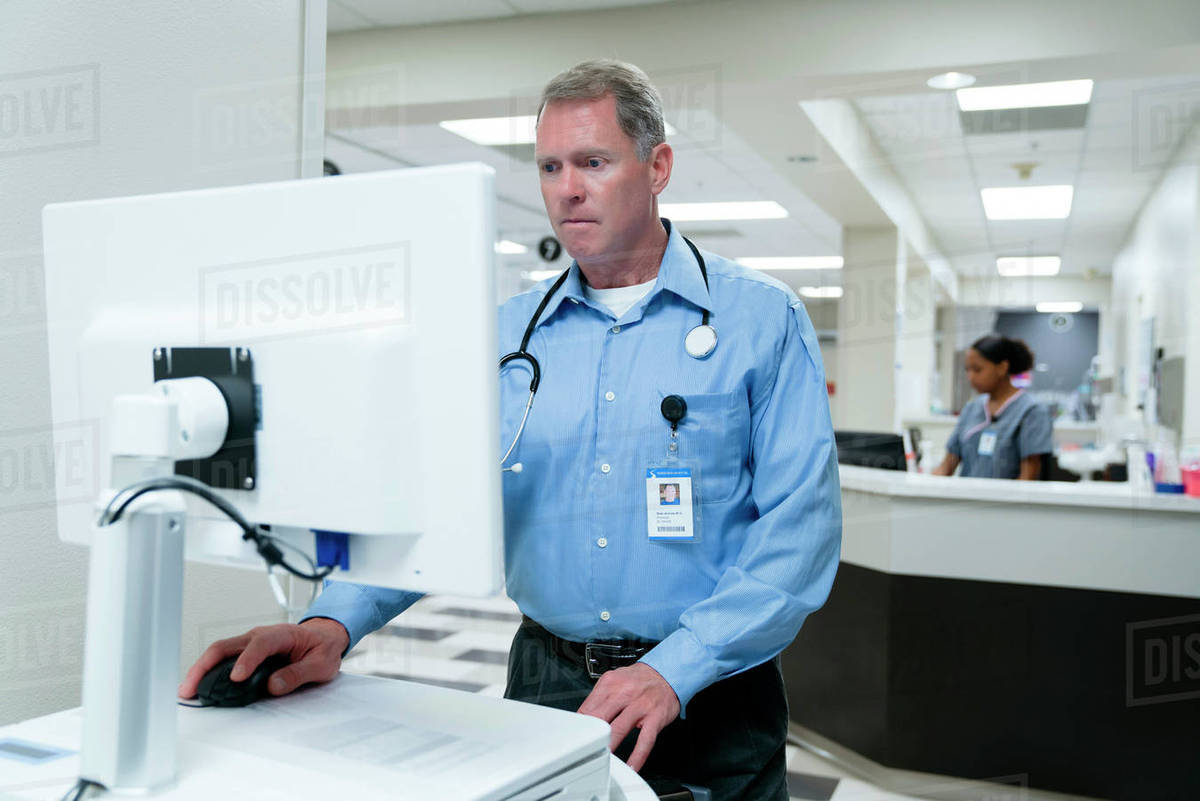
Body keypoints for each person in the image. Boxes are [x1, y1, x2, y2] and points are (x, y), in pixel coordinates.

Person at [179, 59, 841, 800]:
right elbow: (438, 506)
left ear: (658, 167)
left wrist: (675, 668)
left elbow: (798, 536)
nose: (568, 188)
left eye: (593, 161)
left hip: (715, 690)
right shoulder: (504, 337)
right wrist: (333, 621)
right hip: (549, 683)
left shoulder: (761, 319)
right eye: (551, 166)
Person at [932, 334, 1053, 480]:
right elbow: (946, 467)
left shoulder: (1031, 412)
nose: (970, 377)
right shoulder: (972, 409)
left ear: (1002, 368)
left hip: (1006, 501)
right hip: (966, 499)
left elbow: (1028, 477)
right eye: (967, 370)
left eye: (977, 370)